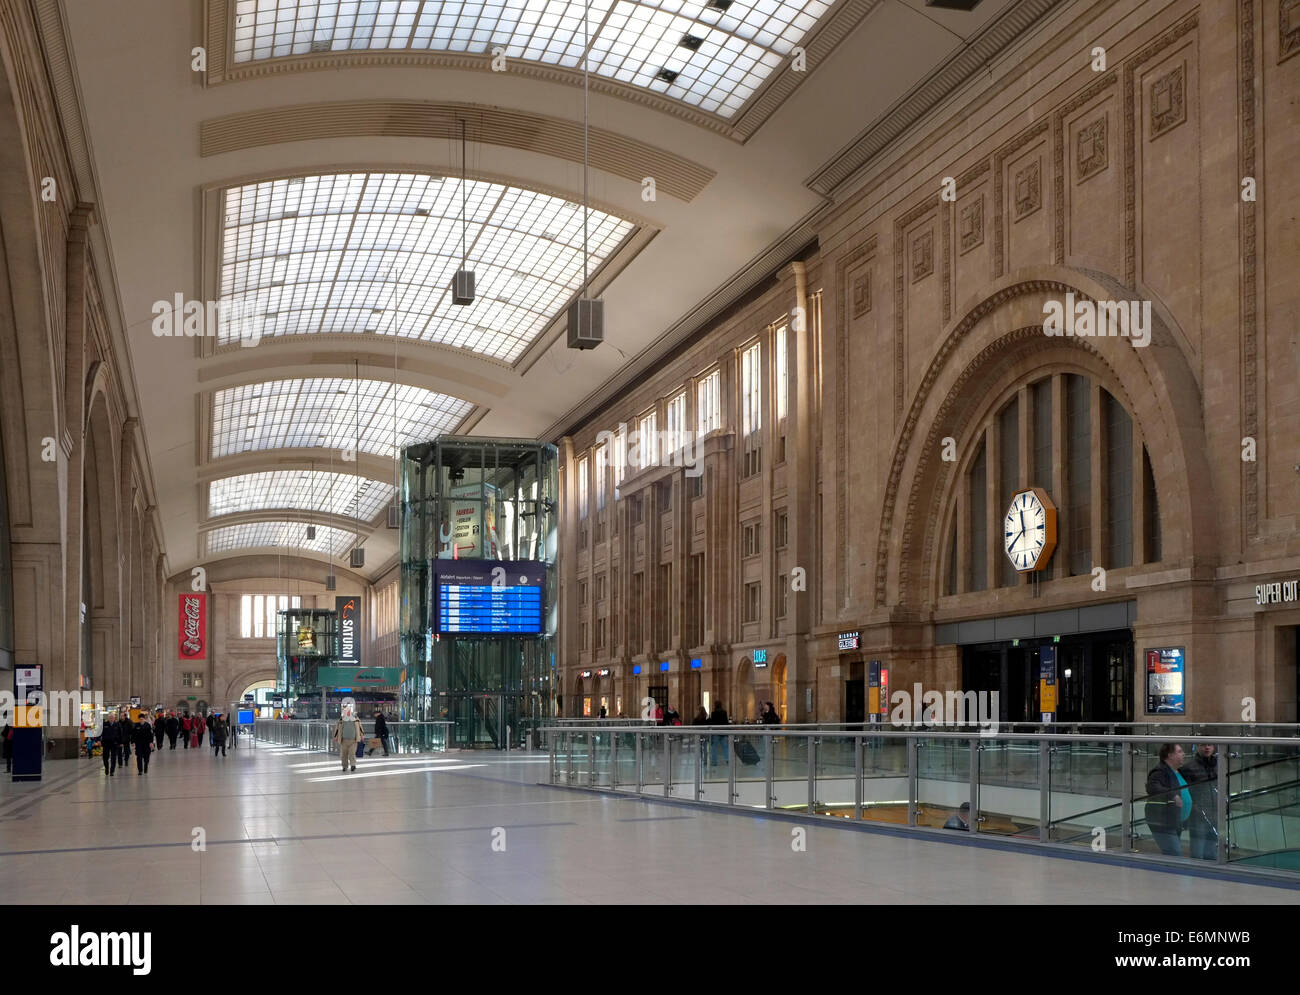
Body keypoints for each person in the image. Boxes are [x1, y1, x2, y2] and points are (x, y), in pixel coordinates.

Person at [1145, 743, 1191, 857]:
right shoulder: (1160, 771)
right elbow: (1152, 787)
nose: (1183, 754)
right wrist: (1173, 795)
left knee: (1173, 854)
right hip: (1163, 822)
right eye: (1180, 751)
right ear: (1170, 755)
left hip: (1175, 821)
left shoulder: (1178, 772)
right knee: (1175, 853)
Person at [1182, 743, 1219, 860]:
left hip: (1215, 811)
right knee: (1197, 848)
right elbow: (1185, 791)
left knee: (1212, 848)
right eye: (1203, 745)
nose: (1207, 748)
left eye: (1210, 745)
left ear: (1214, 747)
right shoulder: (1189, 768)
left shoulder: (1219, 765)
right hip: (1198, 814)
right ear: (1197, 747)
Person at [708, 700, 730, 766]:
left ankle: (714, 762)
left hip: (716, 732)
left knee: (714, 748)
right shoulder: (724, 712)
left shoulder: (713, 713)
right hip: (723, 732)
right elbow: (726, 722)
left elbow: (712, 723)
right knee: (725, 747)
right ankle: (727, 760)